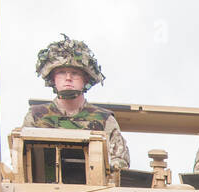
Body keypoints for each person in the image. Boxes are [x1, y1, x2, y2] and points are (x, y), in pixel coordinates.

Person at [24, 35, 129, 171]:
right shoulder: (36, 116)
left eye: (74, 73)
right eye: (61, 72)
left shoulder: (104, 120)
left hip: (94, 184)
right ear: (53, 78)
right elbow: (21, 158)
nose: (68, 78)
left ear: (86, 79)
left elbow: (119, 162)